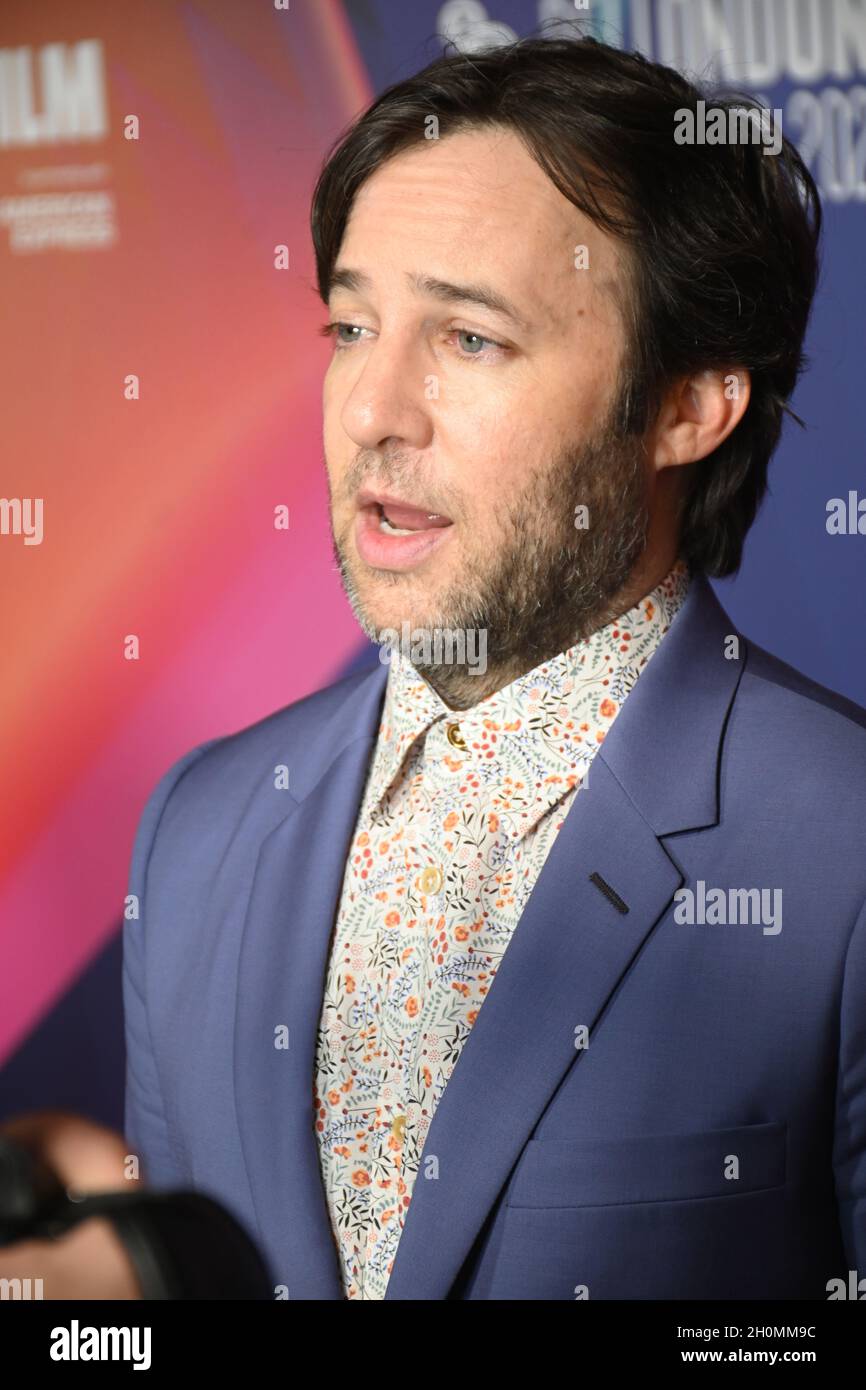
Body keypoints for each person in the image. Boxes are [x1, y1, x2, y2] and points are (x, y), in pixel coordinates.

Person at [123, 35, 866, 1300]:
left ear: (689, 404)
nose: (372, 408)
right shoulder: (198, 832)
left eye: (468, 339)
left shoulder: (840, 845)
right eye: (352, 324)